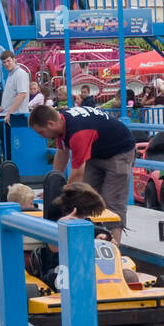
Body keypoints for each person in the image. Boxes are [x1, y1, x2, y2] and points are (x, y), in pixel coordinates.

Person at [30, 103, 135, 241]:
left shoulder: (78, 132)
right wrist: (53, 185)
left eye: (41, 132)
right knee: (85, 199)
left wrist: (64, 195)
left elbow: (77, 173)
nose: (41, 136)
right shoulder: (62, 123)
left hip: (118, 153)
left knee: (111, 203)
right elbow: (62, 153)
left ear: (51, 124)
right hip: (96, 153)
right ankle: (90, 240)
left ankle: (112, 249)